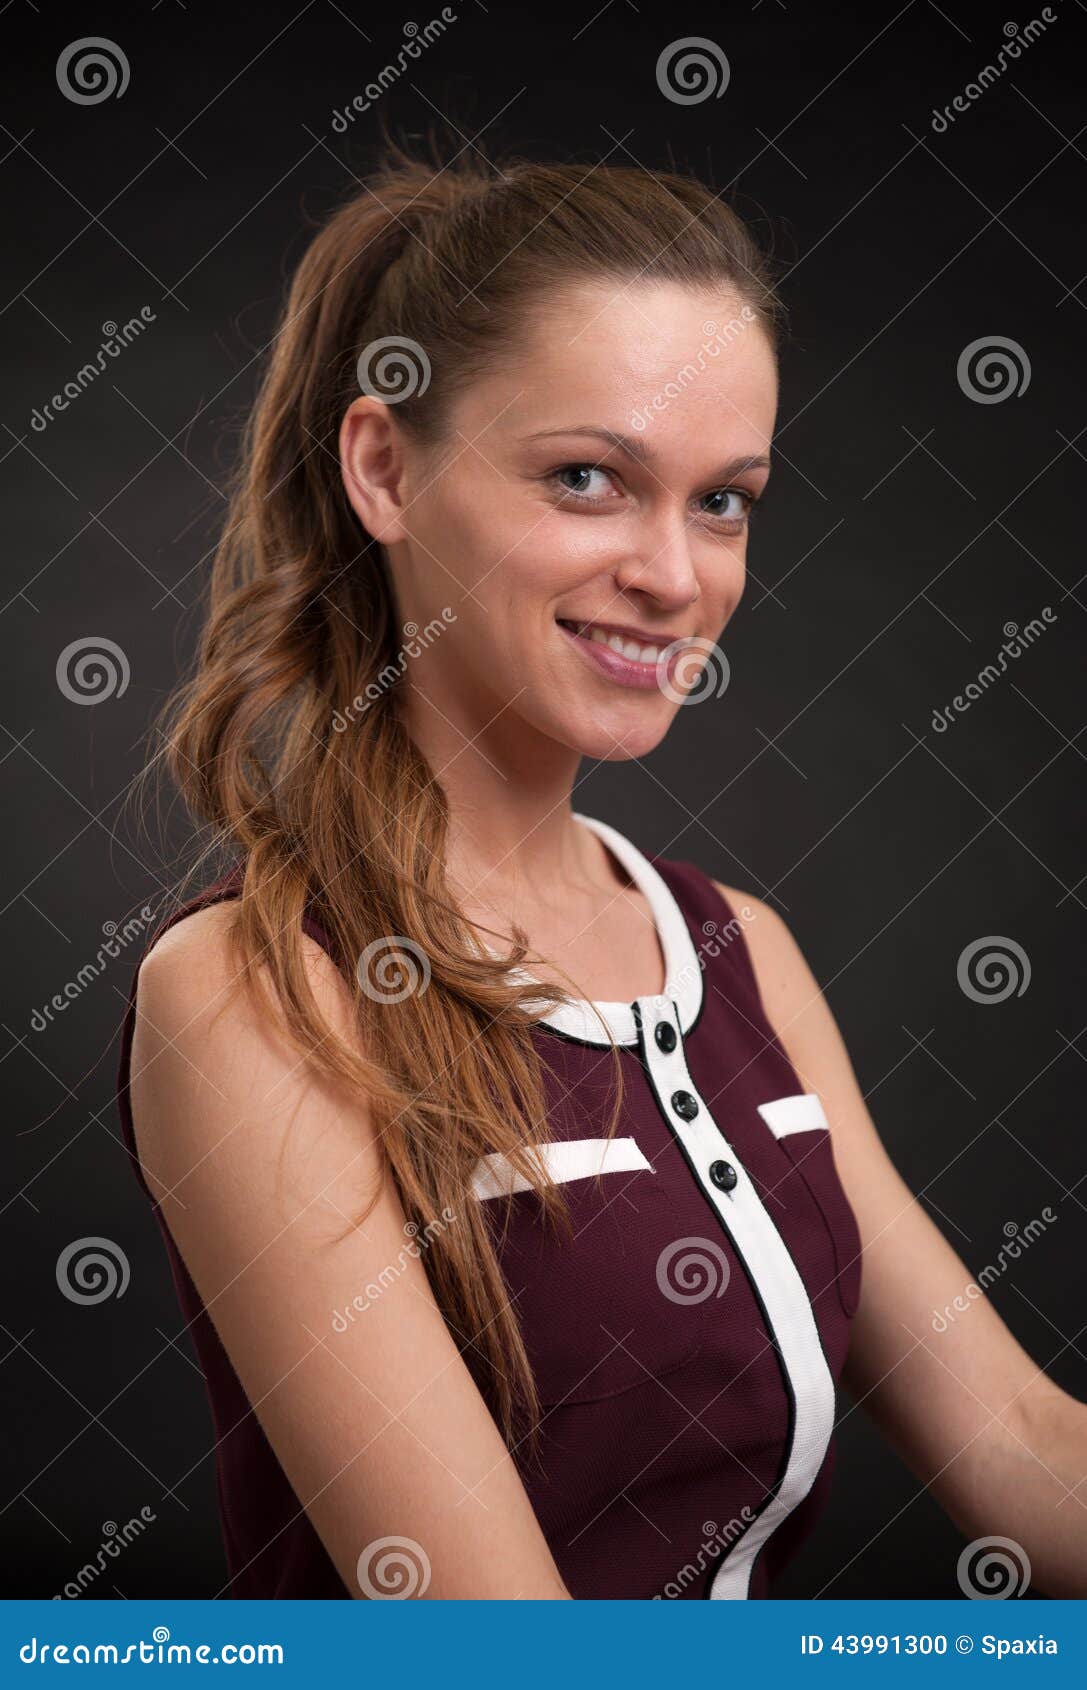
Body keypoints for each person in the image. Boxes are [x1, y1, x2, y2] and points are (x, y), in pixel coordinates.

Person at [117, 140, 1087, 1601]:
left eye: (723, 499)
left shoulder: (732, 944)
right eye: (588, 478)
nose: (675, 574)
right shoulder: (259, 990)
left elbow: (1017, 1439)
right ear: (384, 466)